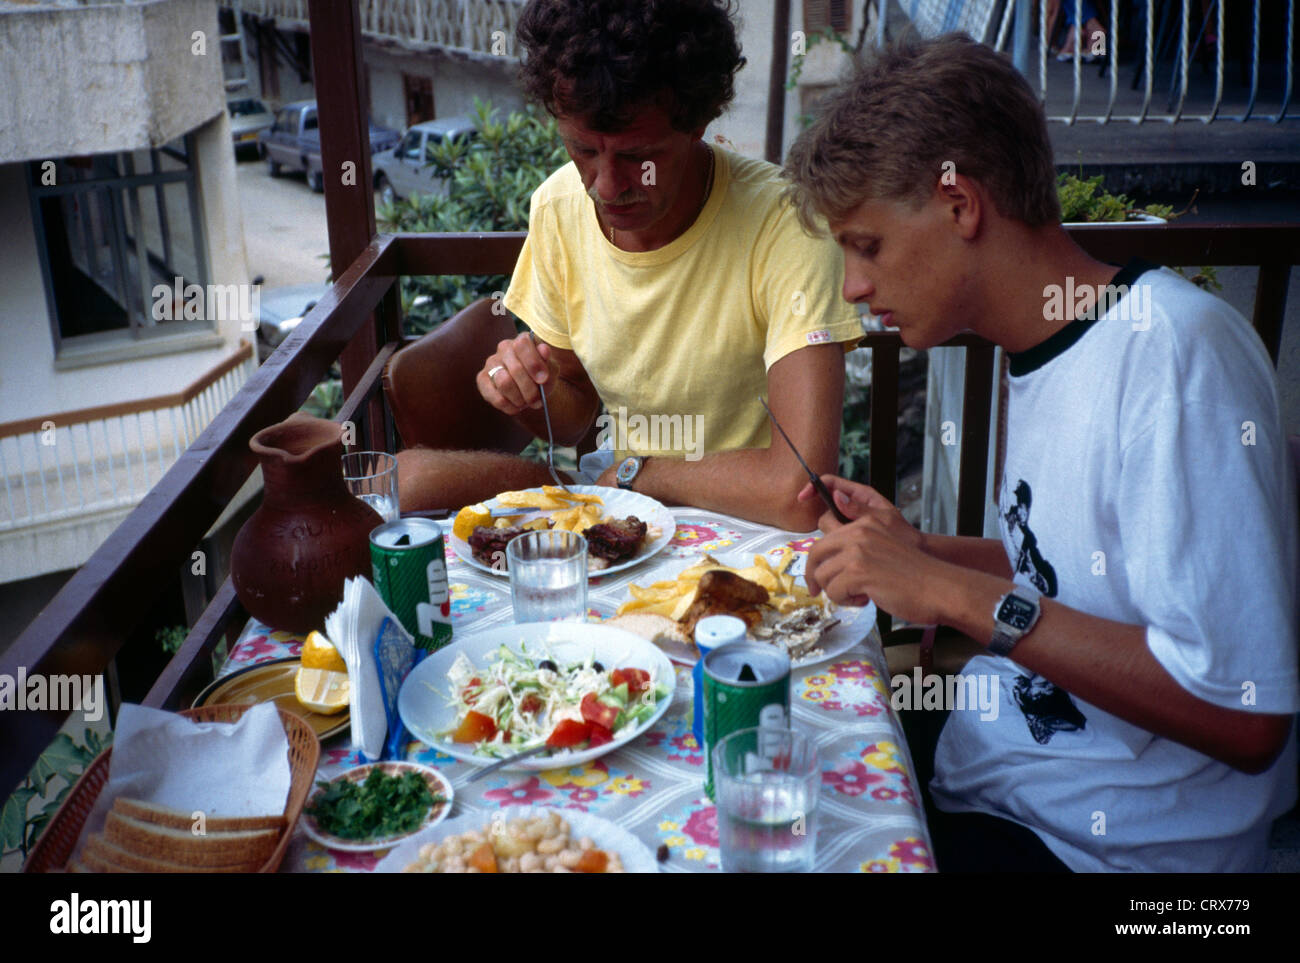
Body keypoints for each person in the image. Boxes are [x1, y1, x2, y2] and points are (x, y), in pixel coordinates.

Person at [784, 34, 1298, 872]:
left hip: (1101, 853)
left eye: (867, 245)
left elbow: (1246, 716)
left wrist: (949, 592)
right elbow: (1077, 574)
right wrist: (920, 551)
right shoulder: (1040, 348)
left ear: (960, 204)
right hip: (990, 776)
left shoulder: (1174, 357)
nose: (853, 287)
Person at [397, 0, 862, 531]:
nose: (605, 186)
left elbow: (800, 492)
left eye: (638, 157)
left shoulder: (788, 223)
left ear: (699, 123)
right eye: (582, 150)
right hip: (625, 509)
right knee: (410, 479)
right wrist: (530, 394)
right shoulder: (558, 207)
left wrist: (639, 474)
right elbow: (573, 419)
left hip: (750, 524)